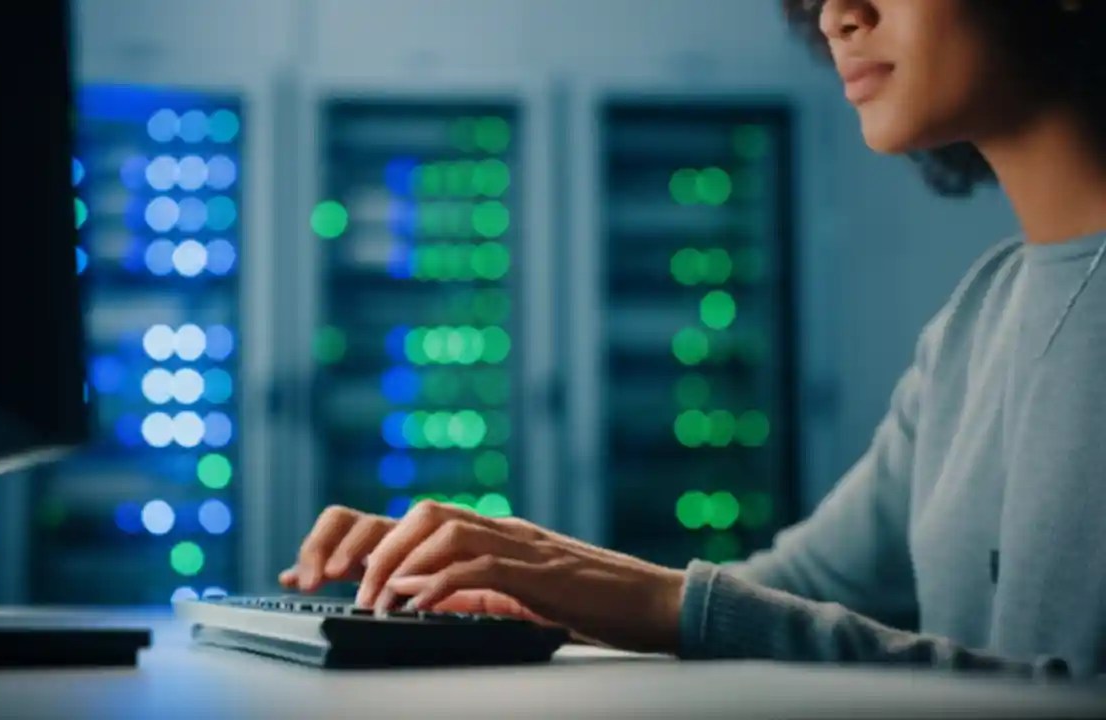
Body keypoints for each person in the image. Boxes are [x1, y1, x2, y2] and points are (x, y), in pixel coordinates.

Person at [281, 0, 1106, 677]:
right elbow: (805, 587)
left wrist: (651, 602)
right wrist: (528, 587)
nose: (835, 16)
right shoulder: (976, 316)